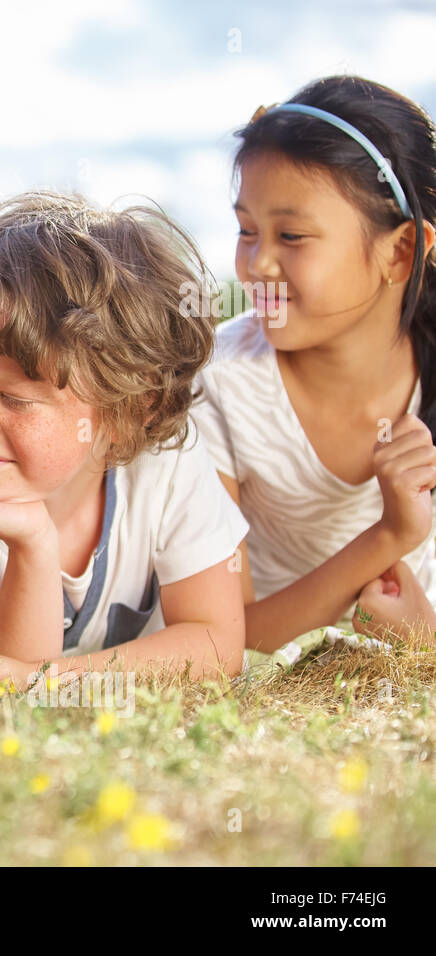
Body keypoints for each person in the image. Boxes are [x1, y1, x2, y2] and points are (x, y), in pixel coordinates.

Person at [0, 192, 248, 685]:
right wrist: (33, 544)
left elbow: (216, 644)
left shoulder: (166, 462)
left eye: (16, 398)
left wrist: (52, 681)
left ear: (130, 409)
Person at [192, 75, 436, 651]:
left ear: (400, 252)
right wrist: (388, 536)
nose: (258, 264)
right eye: (247, 230)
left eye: (293, 236)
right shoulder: (219, 385)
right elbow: (231, 638)